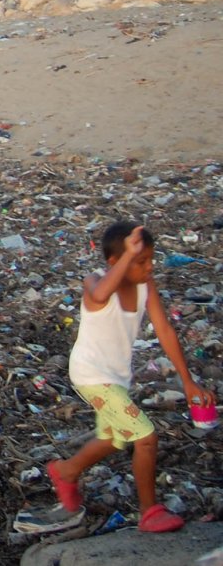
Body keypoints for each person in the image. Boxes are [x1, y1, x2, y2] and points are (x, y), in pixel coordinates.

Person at [47, 223, 215, 533]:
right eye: (141, 261)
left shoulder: (144, 287)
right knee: (145, 436)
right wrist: (129, 256)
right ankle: (149, 511)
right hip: (91, 373)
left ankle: (66, 471)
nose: (149, 268)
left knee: (115, 438)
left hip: (117, 377)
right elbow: (99, 292)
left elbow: (164, 330)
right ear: (116, 262)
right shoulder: (94, 282)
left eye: (151, 259)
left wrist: (188, 381)